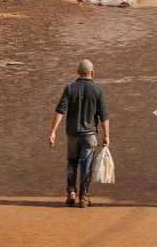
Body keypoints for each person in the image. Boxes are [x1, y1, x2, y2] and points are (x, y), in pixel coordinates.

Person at [49, 59, 110, 208]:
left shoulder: (70, 88)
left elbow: (60, 110)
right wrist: (107, 135)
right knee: (86, 165)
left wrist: (53, 132)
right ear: (92, 73)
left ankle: (71, 192)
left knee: (71, 162)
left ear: (78, 72)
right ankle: (84, 196)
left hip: (72, 134)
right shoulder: (97, 90)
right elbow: (104, 115)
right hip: (90, 135)